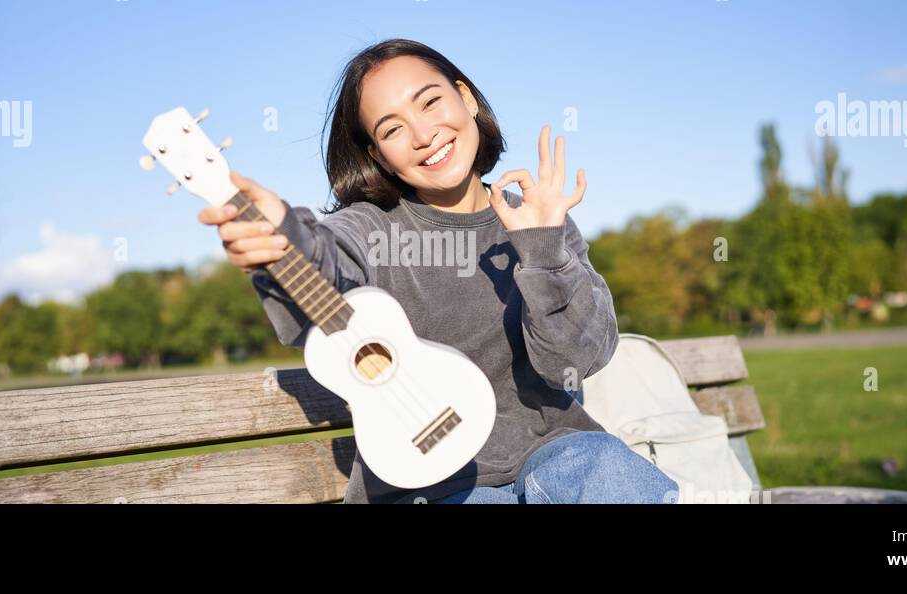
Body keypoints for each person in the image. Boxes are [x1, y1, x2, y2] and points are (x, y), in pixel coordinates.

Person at [197, 38, 678, 504]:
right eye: (391, 130)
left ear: (465, 98)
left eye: (430, 102)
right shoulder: (369, 228)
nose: (424, 136)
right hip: (428, 482)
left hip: (554, 452)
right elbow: (323, 259)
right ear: (377, 155)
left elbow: (575, 359)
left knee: (603, 466)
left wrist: (544, 248)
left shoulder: (539, 217)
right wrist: (282, 232)